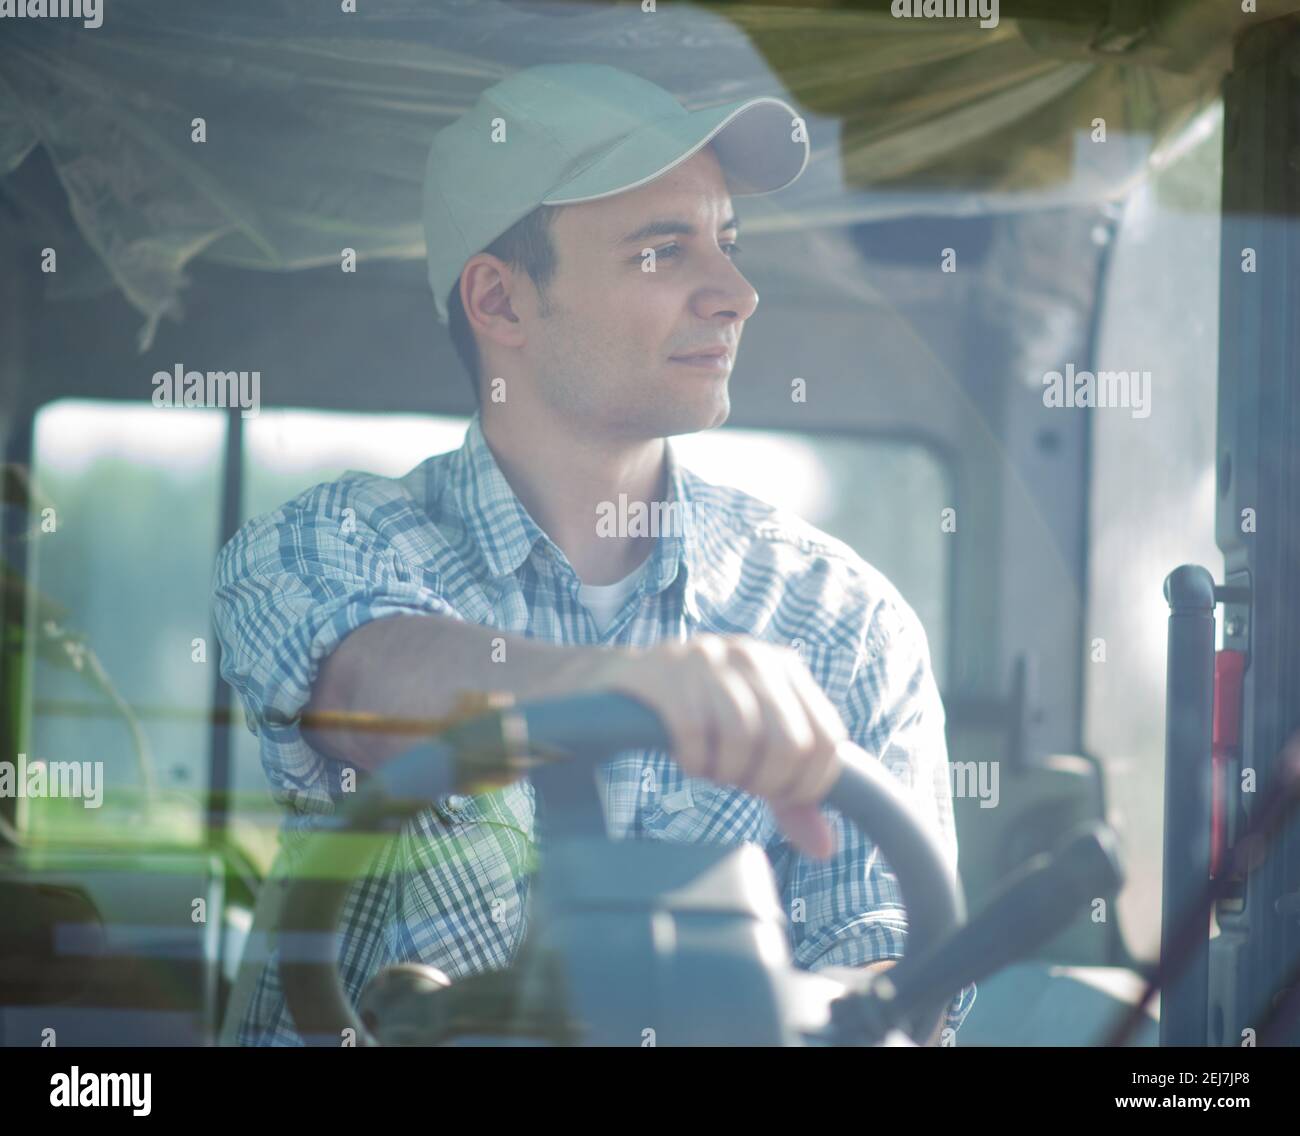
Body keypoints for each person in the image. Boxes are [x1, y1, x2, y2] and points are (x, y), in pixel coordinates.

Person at [213, 62, 975, 1046]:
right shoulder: (323, 542)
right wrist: (625, 683)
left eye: (728, 245)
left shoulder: (843, 622)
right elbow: (368, 680)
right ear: (500, 303)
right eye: (663, 251)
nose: (737, 293)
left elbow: (890, 968)